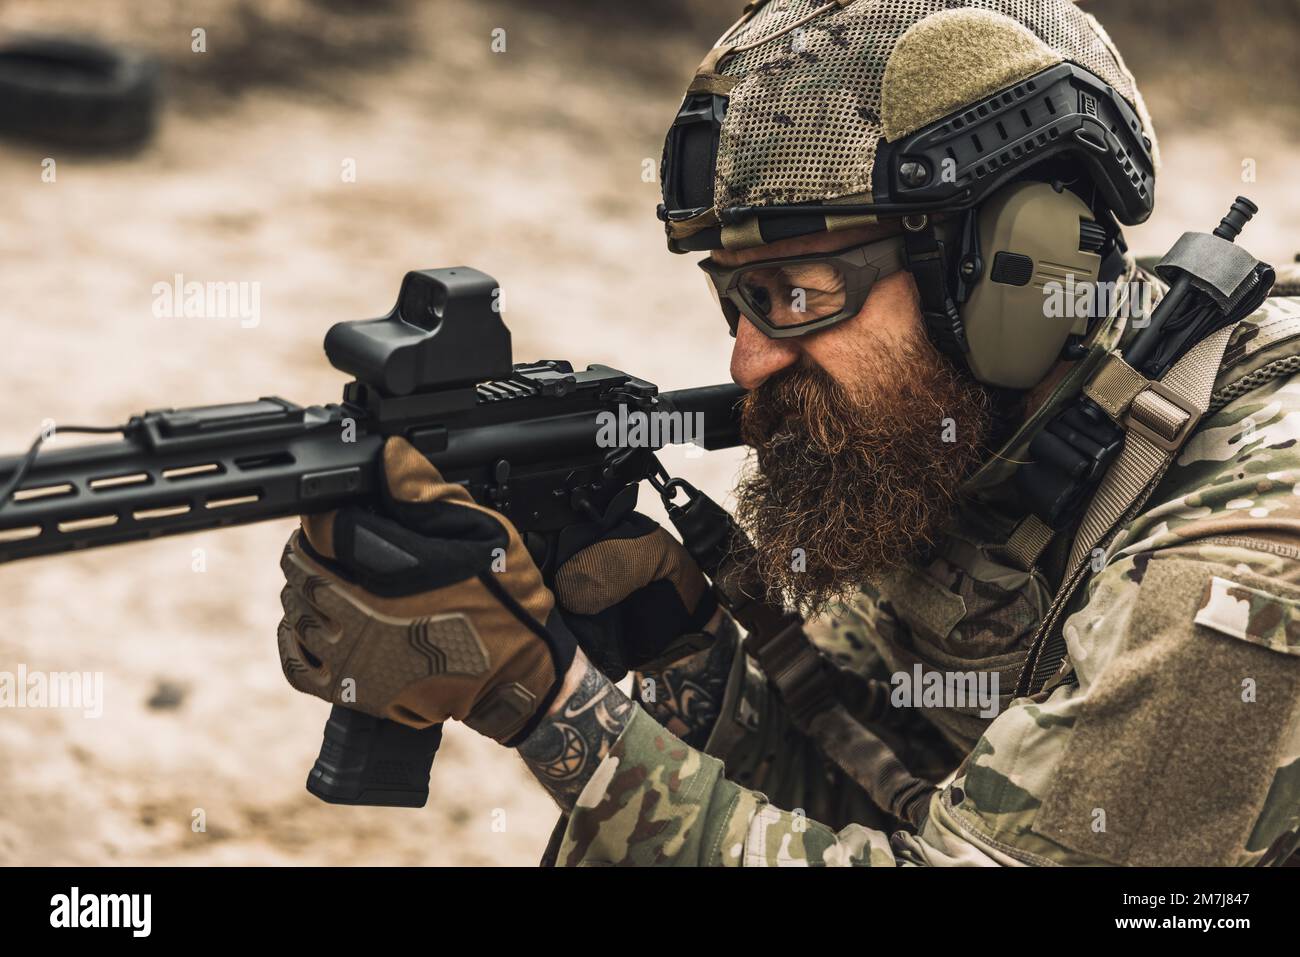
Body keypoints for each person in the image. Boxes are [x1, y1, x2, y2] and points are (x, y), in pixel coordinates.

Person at [275, 0, 1300, 866]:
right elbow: (876, 787)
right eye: (739, 300)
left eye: (799, 294)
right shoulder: (967, 435)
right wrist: (686, 654)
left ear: (1015, 271)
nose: (748, 364)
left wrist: (550, 709)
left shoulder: (1242, 553)